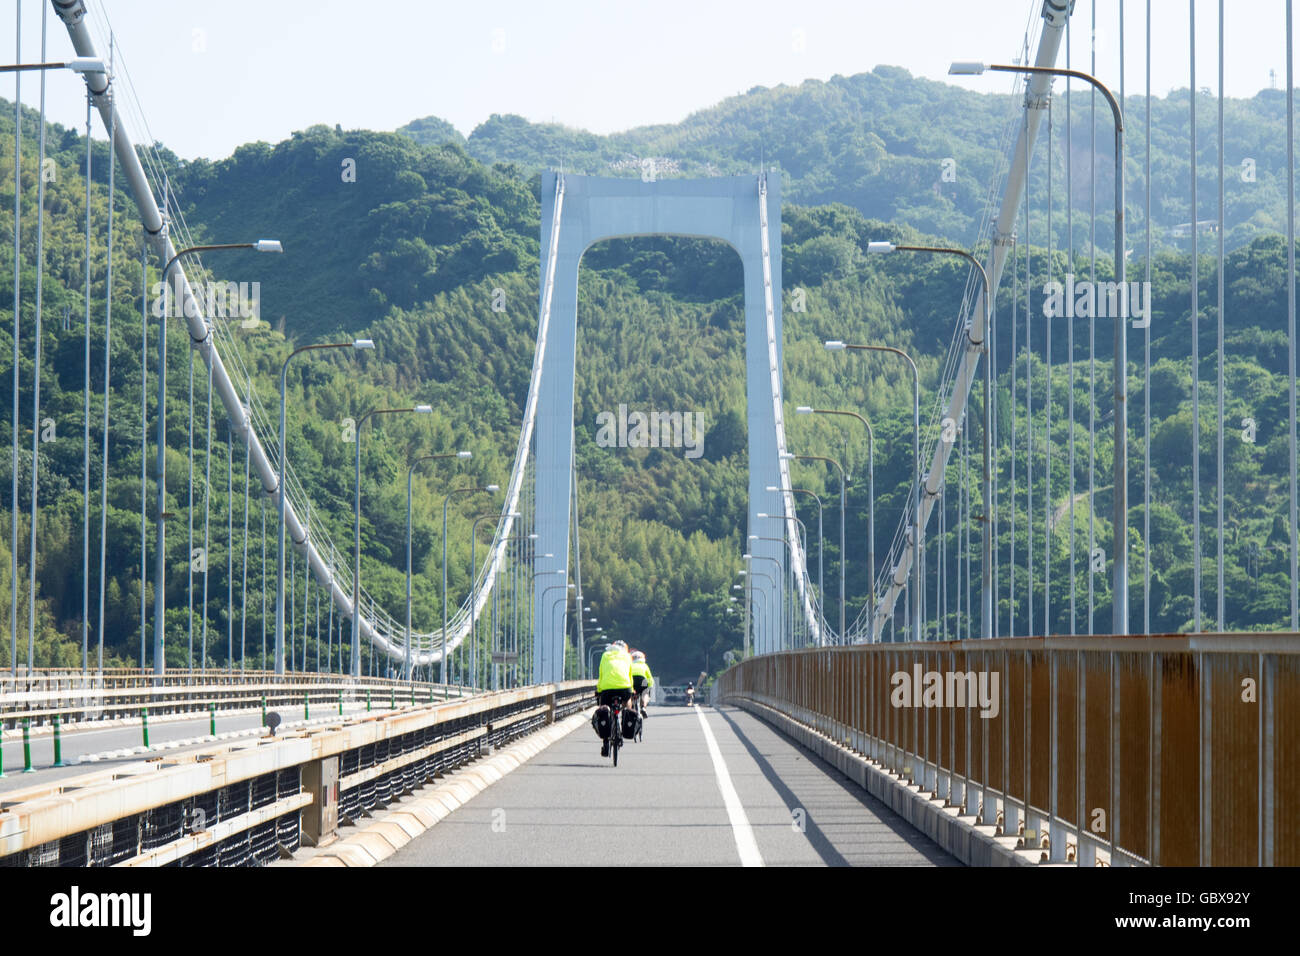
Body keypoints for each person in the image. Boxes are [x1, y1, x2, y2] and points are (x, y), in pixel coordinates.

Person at [595, 640, 633, 757]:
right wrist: (630, 690)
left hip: (607, 689)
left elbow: (601, 674)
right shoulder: (627, 656)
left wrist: (599, 690)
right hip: (624, 688)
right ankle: (625, 717)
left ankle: (606, 741)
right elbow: (629, 674)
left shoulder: (605, 656)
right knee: (627, 701)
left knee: (604, 708)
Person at [629, 650, 654, 718]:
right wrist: (649, 687)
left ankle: (630, 708)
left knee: (630, 694)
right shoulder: (644, 665)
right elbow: (649, 678)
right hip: (642, 679)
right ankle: (643, 707)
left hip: (632, 679)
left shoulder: (630, 665)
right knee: (645, 693)